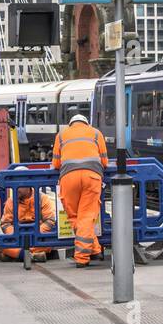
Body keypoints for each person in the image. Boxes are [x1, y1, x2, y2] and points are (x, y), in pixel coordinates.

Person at [52, 113, 109, 268]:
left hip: (68, 178)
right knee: (86, 217)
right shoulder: (96, 133)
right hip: (92, 177)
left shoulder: (61, 135)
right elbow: (104, 161)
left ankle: (90, 252)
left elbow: (56, 164)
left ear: (71, 123)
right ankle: (86, 255)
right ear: (86, 123)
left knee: (75, 216)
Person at [0, 186, 58, 262]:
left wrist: (35, 234)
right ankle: (30, 255)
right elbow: (5, 224)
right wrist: (16, 235)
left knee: (49, 242)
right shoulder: (11, 201)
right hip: (17, 238)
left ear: (28, 187)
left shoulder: (42, 198)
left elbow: (50, 221)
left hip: (38, 237)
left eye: (19, 186)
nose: (16, 189)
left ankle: (17, 254)